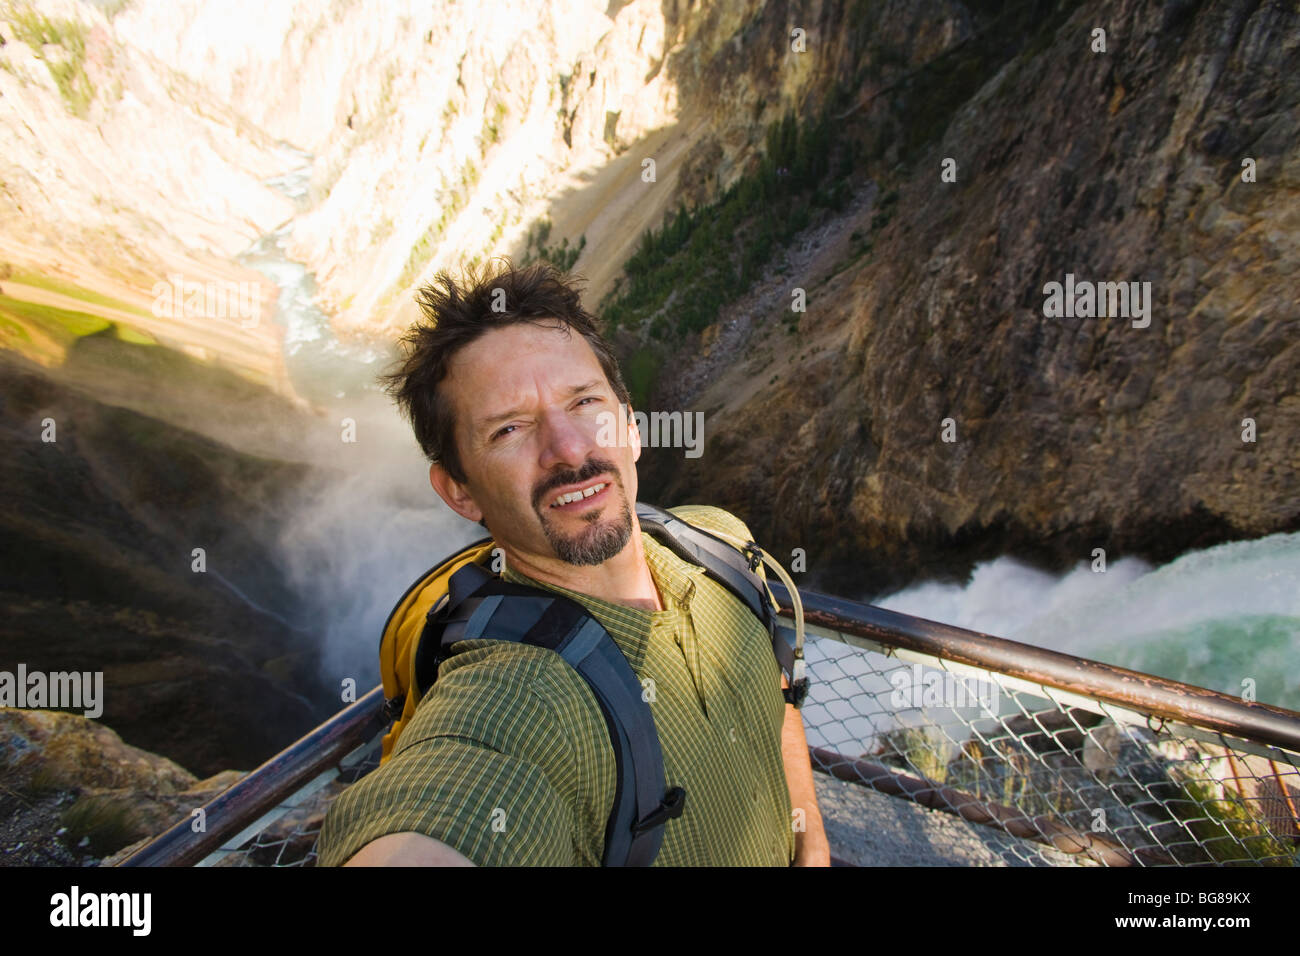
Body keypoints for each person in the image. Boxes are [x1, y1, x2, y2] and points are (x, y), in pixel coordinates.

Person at [317, 257, 829, 866]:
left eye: (585, 402)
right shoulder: (520, 696)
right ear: (459, 491)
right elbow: (447, 806)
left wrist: (811, 844)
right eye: (508, 430)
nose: (568, 450)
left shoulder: (722, 546)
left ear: (632, 426)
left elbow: (773, 699)